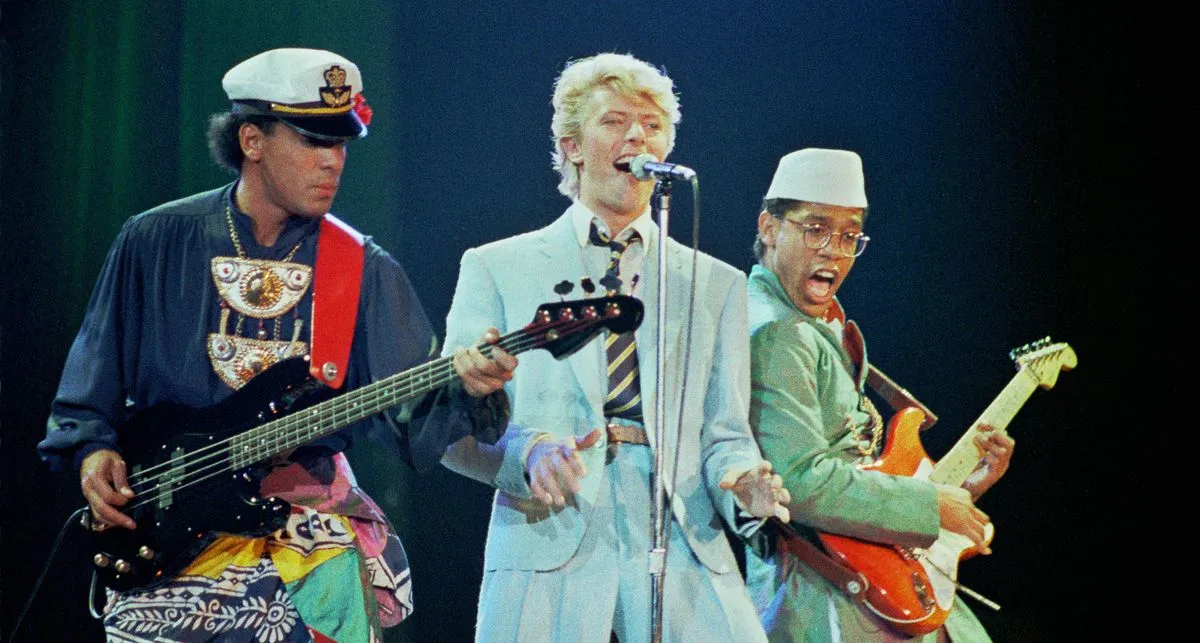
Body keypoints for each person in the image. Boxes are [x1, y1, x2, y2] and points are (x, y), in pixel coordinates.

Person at [38, 48, 514, 642]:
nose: (333, 161)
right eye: (314, 141)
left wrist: (472, 390)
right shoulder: (155, 239)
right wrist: (92, 451)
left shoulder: (363, 268)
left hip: (304, 539)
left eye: (341, 143)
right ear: (252, 140)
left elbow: (414, 423)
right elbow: (90, 384)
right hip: (162, 538)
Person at [437, 52, 790, 642]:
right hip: (551, 525)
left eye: (652, 125)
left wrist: (743, 483)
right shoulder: (498, 266)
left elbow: (725, 434)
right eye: (615, 121)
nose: (637, 136)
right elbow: (452, 425)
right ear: (572, 146)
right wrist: (525, 451)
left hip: (681, 532)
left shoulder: (716, 284)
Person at [743, 148, 1016, 642]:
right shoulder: (778, 333)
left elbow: (858, 463)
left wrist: (959, 489)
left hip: (864, 579)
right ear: (769, 228)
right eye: (816, 229)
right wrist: (930, 505)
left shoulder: (813, 323)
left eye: (849, 236)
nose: (833, 250)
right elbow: (799, 480)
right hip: (822, 595)